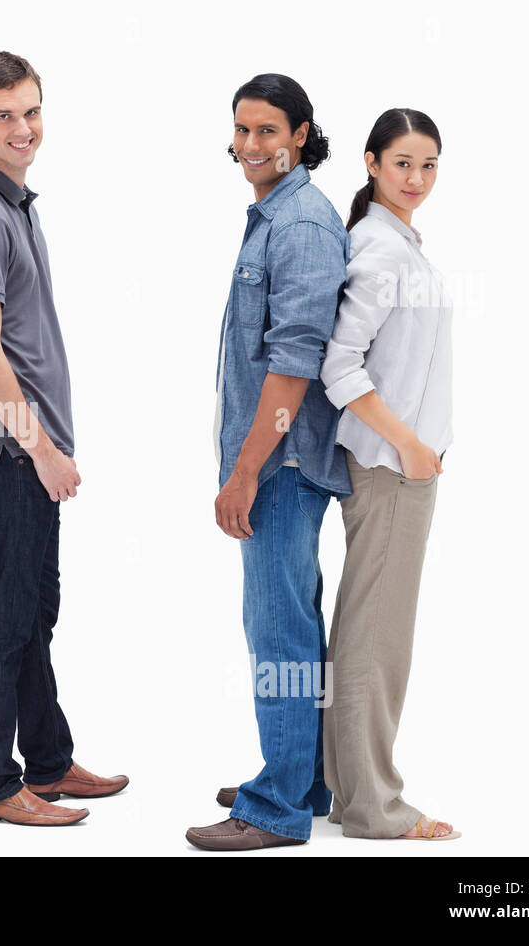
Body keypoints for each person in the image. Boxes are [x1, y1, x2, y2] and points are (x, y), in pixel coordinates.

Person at [0, 52, 128, 828]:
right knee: (8, 613)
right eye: (5, 115)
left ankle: (47, 762)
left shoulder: (14, 201)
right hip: (8, 450)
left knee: (36, 609)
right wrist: (42, 448)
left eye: (32, 111)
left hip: (26, 449)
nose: (23, 129)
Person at [187, 74, 350, 851]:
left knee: (278, 632)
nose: (251, 145)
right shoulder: (274, 216)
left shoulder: (303, 225)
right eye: (242, 130)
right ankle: (306, 777)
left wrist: (247, 470)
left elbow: (293, 367)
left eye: (267, 131)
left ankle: (277, 805)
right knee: (292, 627)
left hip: (281, 465)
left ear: (301, 132)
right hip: (272, 459)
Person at [319, 109, 458, 841]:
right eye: (403, 163)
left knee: (366, 632)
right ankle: (375, 807)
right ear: (372, 163)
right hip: (389, 470)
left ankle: (350, 794)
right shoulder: (378, 249)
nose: (417, 179)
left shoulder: (398, 242)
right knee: (379, 640)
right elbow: (339, 365)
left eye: (430, 165)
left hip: (402, 467)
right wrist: (407, 444)